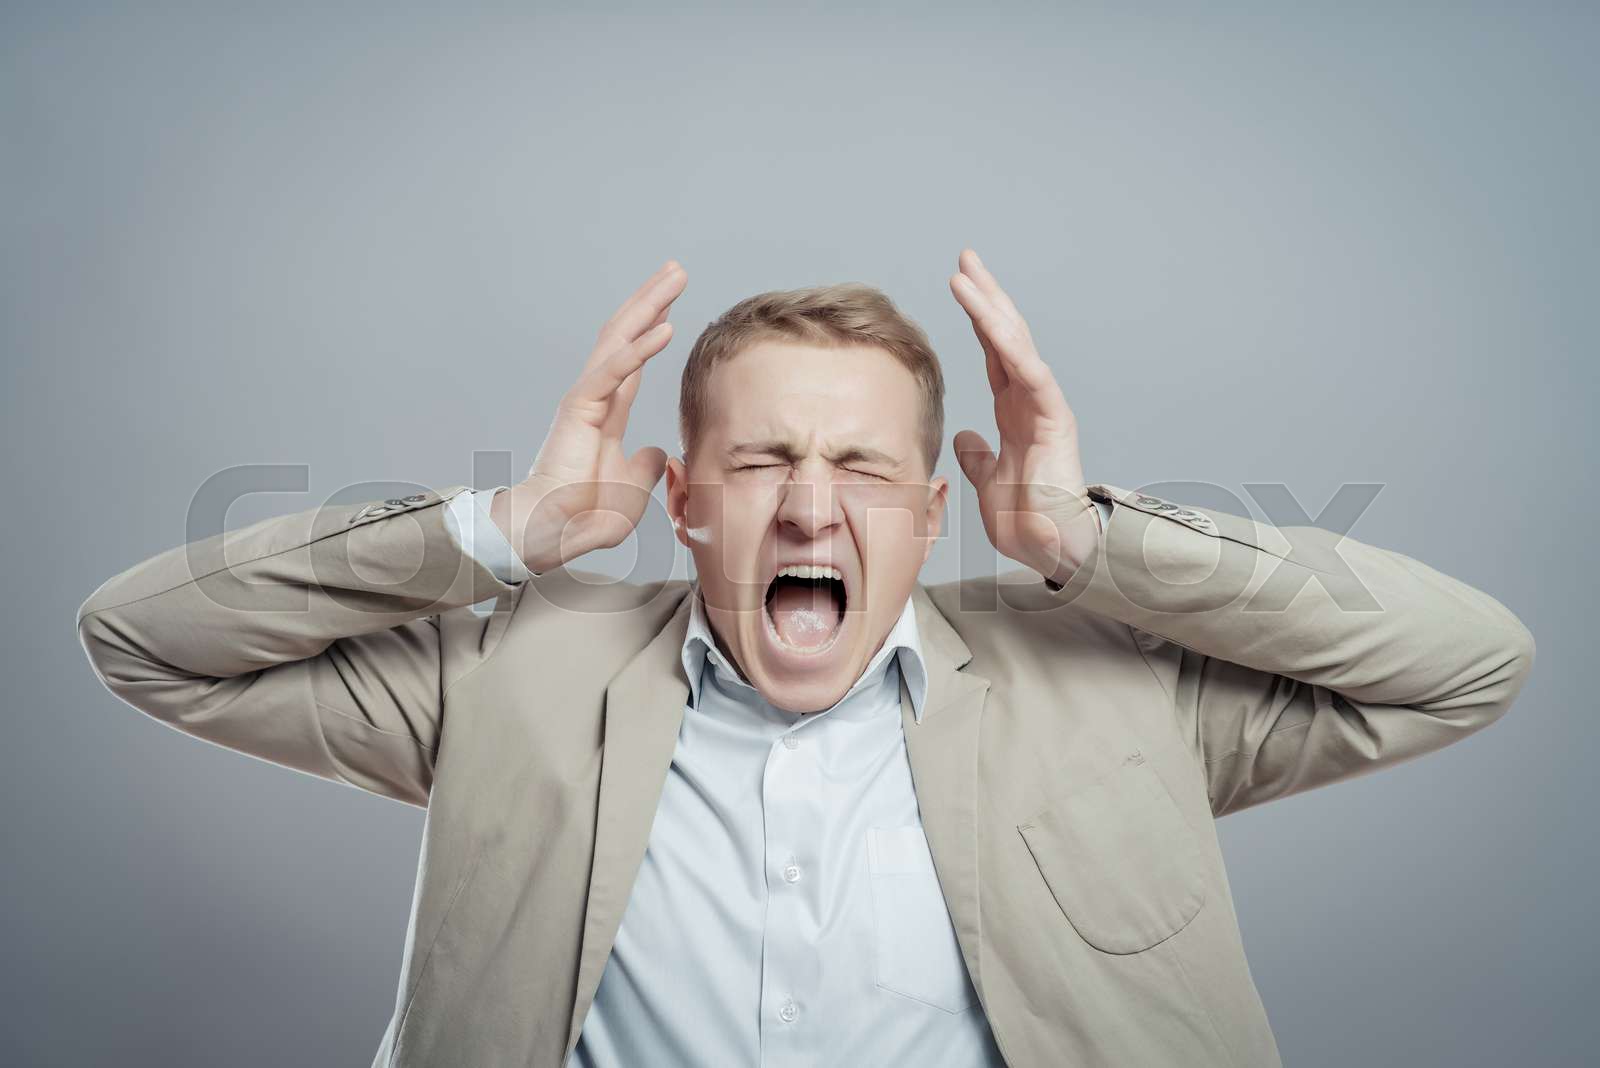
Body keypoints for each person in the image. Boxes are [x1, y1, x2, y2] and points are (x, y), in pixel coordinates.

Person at [76, 251, 1535, 1067]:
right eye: (764, 459)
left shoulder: (1117, 681)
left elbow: (1468, 662)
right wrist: (506, 528)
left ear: (936, 511)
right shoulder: (511, 675)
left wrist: (1088, 540)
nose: (813, 504)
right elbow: (149, 638)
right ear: (689, 500)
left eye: (862, 467)